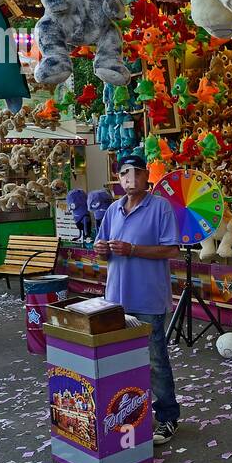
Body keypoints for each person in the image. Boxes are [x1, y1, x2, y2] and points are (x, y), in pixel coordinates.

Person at [94, 153, 182, 445]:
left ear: (147, 177)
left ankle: (168, 417)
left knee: (155, 359)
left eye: (136, 173)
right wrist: (101, 249)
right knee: (121, 360)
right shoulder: (112, 210)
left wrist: (133, 249)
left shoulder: (160, 208)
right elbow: (102, 245)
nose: (129, 179)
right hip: (115, 299)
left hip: (148, 298)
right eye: (123, 174)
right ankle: (131, 414)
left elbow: (172, 250)